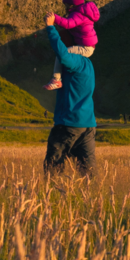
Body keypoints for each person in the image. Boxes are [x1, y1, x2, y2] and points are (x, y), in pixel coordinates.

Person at [42, 14, 97, 176]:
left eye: (63, 36)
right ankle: (93, 200)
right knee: (89, 173)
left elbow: (63, 56)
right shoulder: (88, 64)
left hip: (68, 124)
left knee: (53, 168)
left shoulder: (76, 62)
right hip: (88, 125)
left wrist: (51, 28)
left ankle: (52, 197)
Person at [44, 0, 100, 91]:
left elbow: (68, 24)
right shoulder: (83, 12)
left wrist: (54, 18)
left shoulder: (78, 14)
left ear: (72, 4)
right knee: (63, 36)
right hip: (85, 44)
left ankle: (56, 79)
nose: (65, 6)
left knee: (63, 53)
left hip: (86, 48)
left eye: (66, 4)